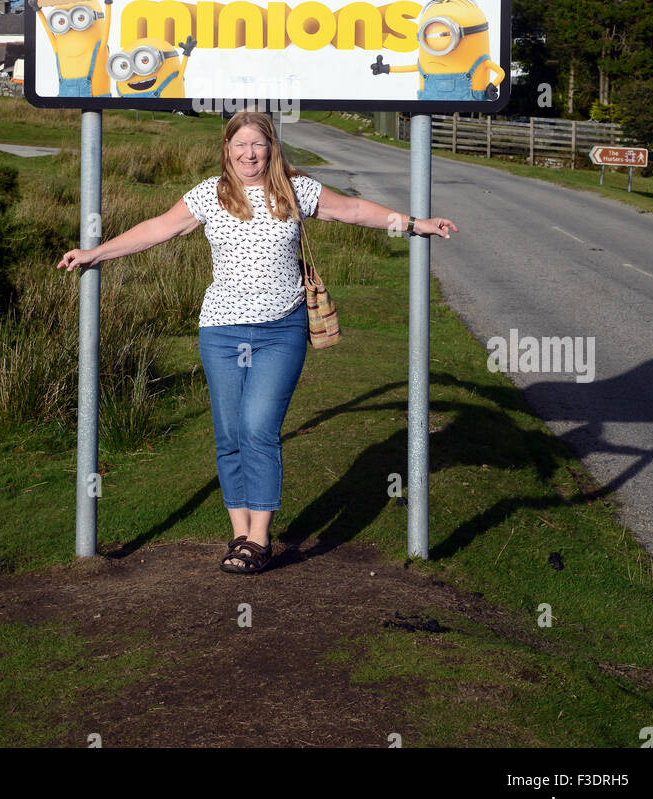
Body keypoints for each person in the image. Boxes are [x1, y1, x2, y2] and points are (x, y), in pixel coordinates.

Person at [57, 110, 457, 575]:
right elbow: (157, 228)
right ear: (227, 149)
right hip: (221, 333)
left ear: (271, 148)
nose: (249, 153)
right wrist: (95, 253)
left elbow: (351, 209)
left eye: (258, 144)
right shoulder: (209, 195)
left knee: (258, 429)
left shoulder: (293, 189)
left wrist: (413, 224)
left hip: (280, 331)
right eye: (239, 145)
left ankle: (260, 539)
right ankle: (240, 532)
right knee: (228, 435)